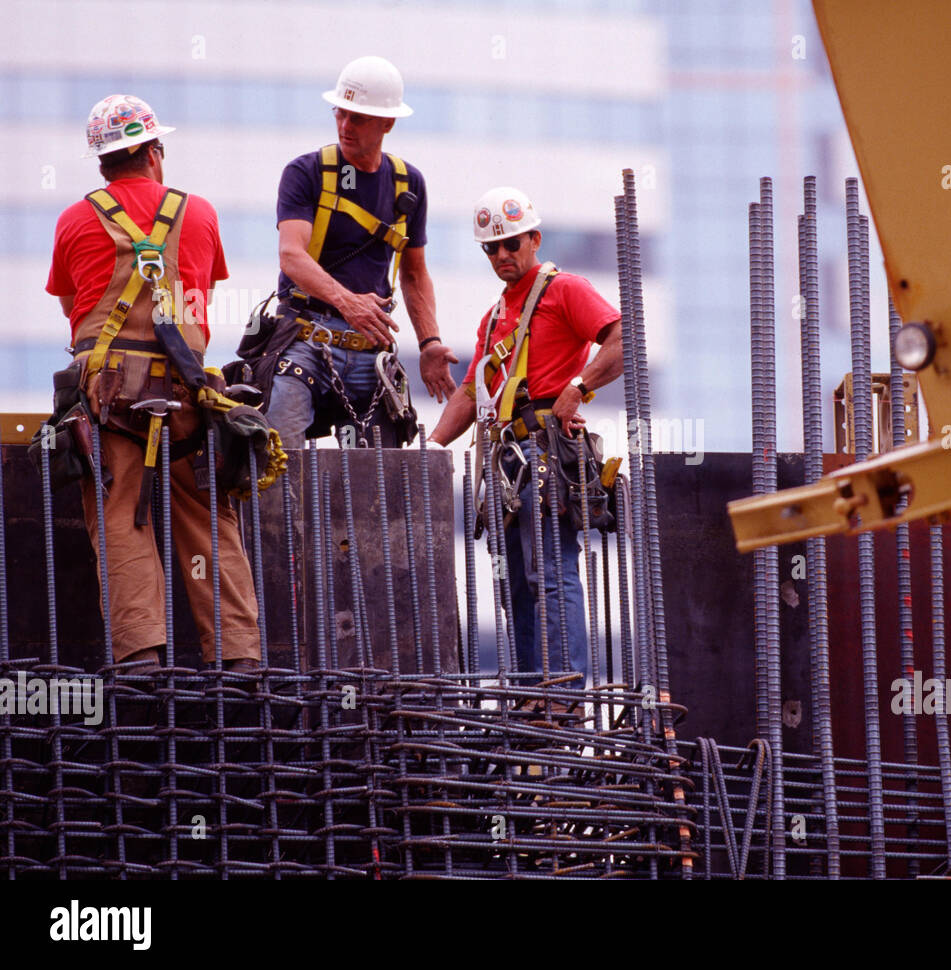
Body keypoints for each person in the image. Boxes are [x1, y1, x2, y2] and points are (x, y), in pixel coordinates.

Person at [46, 94, 261, 673]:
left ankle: (142, 658)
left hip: (110, 397)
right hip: (189, 394)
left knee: (121, 516)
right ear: (154, 153)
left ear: (102, 164)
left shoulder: (74, 220)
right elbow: (198, 303)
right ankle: (239, 660)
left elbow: (76, 313)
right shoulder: (202, 213)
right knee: (207, 518)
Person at [432, 187, 623, 689]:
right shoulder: (494, 317)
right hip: (505, 459)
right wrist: (429, 452)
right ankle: (527, 698)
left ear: (534, 238)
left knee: (551, 575)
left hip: (544, 451)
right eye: (490, 249)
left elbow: (626, 339)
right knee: (515, 583)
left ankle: (562, 695)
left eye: (511, 244)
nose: (500, 256)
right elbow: (472, 393)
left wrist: (578, 388)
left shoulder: (565, 289)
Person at [263, 55, 457, 449]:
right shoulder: (307, 173)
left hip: (371, 347)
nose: (345, 126)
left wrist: (430, 342)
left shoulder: (408, 183)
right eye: (341, 113)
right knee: (281, 455)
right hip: (306, 339)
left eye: (359, 118)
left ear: (388, 123)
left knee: (379, 478)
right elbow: (292, 255)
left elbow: (414, 273)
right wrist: (346, 301)